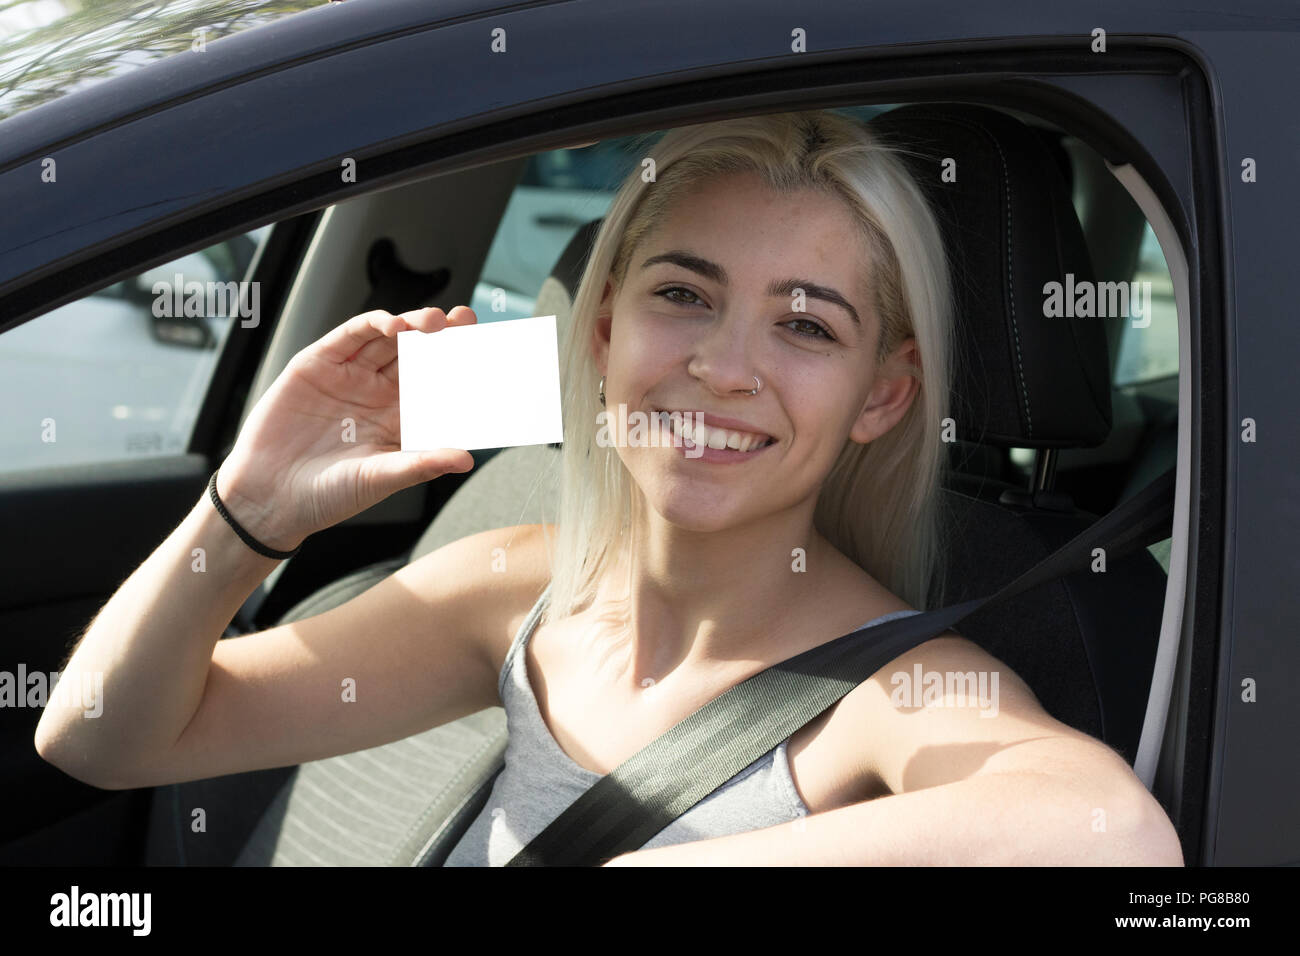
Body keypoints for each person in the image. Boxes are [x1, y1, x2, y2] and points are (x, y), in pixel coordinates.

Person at [35, 109, 1182, 866]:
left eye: (803, 323)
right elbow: (100, 739)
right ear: (598, 329)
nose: (722, 367)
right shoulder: (519, 578)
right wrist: (245, 514)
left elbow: (1113, 831)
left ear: (881, 398)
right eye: (683, 294)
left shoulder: (890, 688)